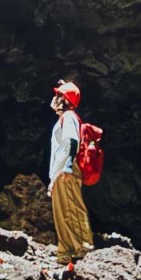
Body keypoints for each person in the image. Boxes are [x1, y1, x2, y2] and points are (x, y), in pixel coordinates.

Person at [48, 79, 94, 269]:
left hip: (67, 169)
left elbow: (72, 141)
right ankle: (66, 252)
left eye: (59, 95)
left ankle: (83, 248)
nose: (55, 98)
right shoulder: (64, 118)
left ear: (65, 100)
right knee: (61, 211)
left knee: (71, 208)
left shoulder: (69, 116)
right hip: (60, 171)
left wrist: (67, 166)